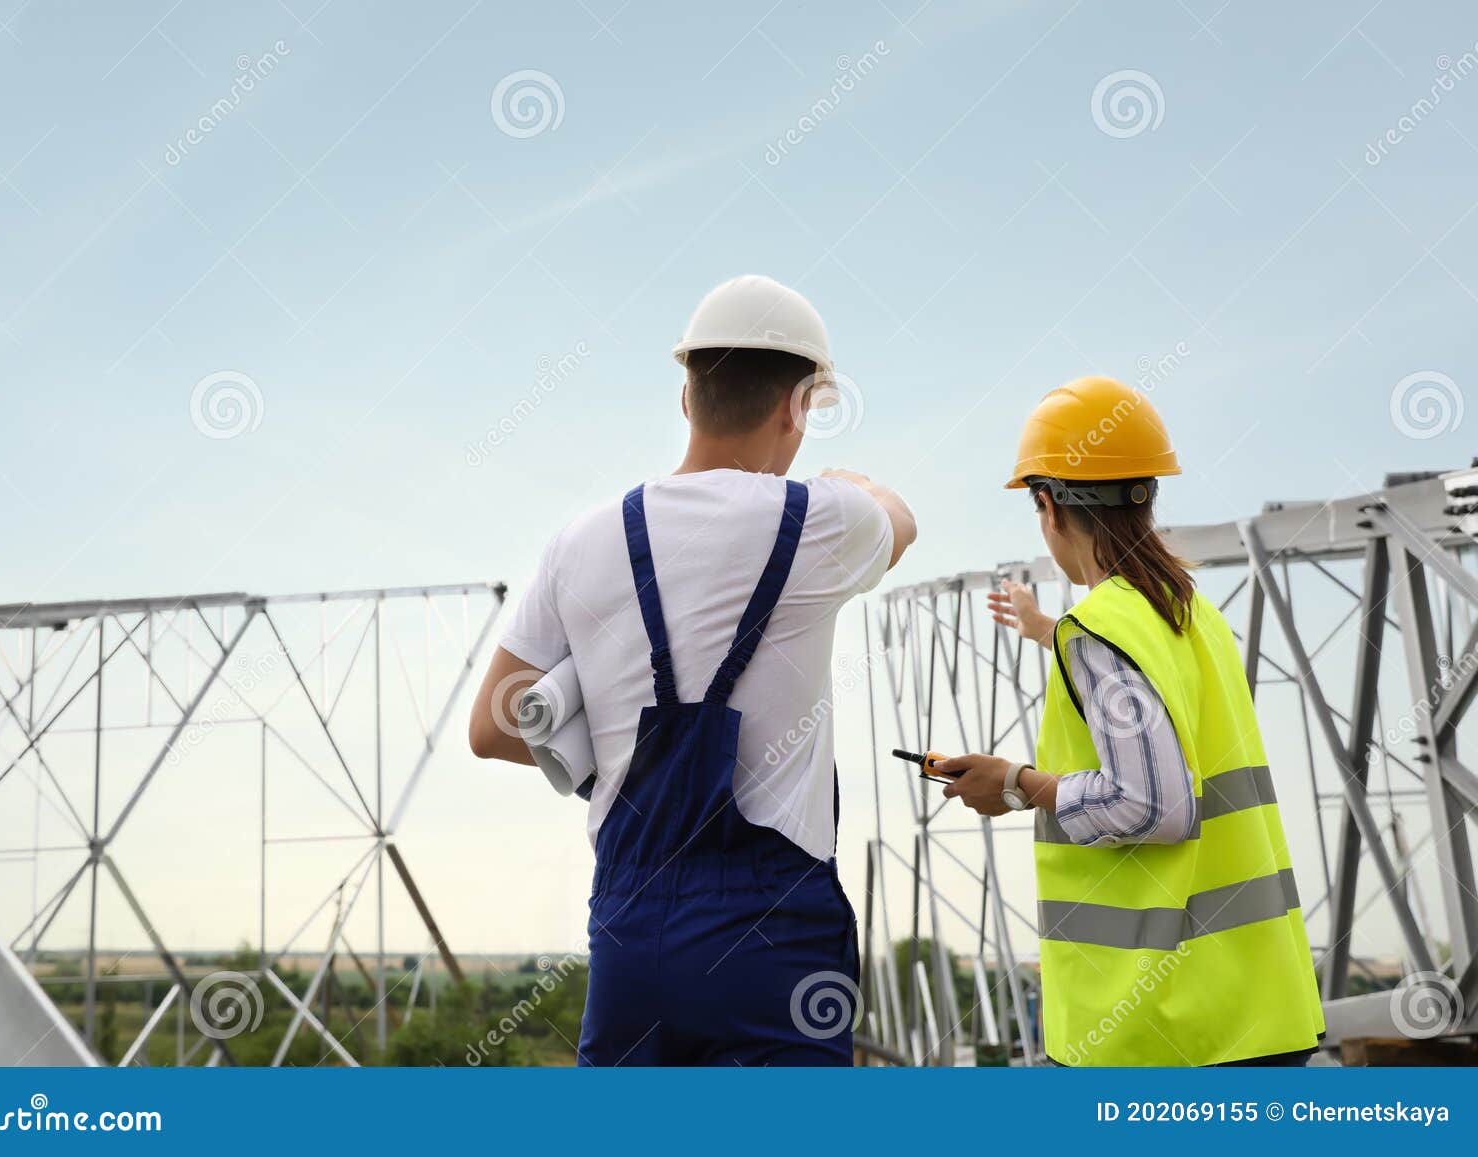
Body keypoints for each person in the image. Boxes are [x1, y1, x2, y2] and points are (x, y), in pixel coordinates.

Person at [468, 275, 916, 1065]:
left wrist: (603, 747)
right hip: (773, 937)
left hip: (631, 932)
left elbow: (492, 727)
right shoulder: (822, 521)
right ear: (797, 406)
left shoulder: (581, 539)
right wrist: (851, 483)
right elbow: (902, 522)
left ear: (687, 397)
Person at [933, 375, 1324, 1067]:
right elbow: (1142, 690)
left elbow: (1153, 802)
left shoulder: (1101, 629)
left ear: (1047, 504)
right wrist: (1046, 629)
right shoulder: (1189, 613)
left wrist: (1019, 783)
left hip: (1153, 1033)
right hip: (1256, 1008)